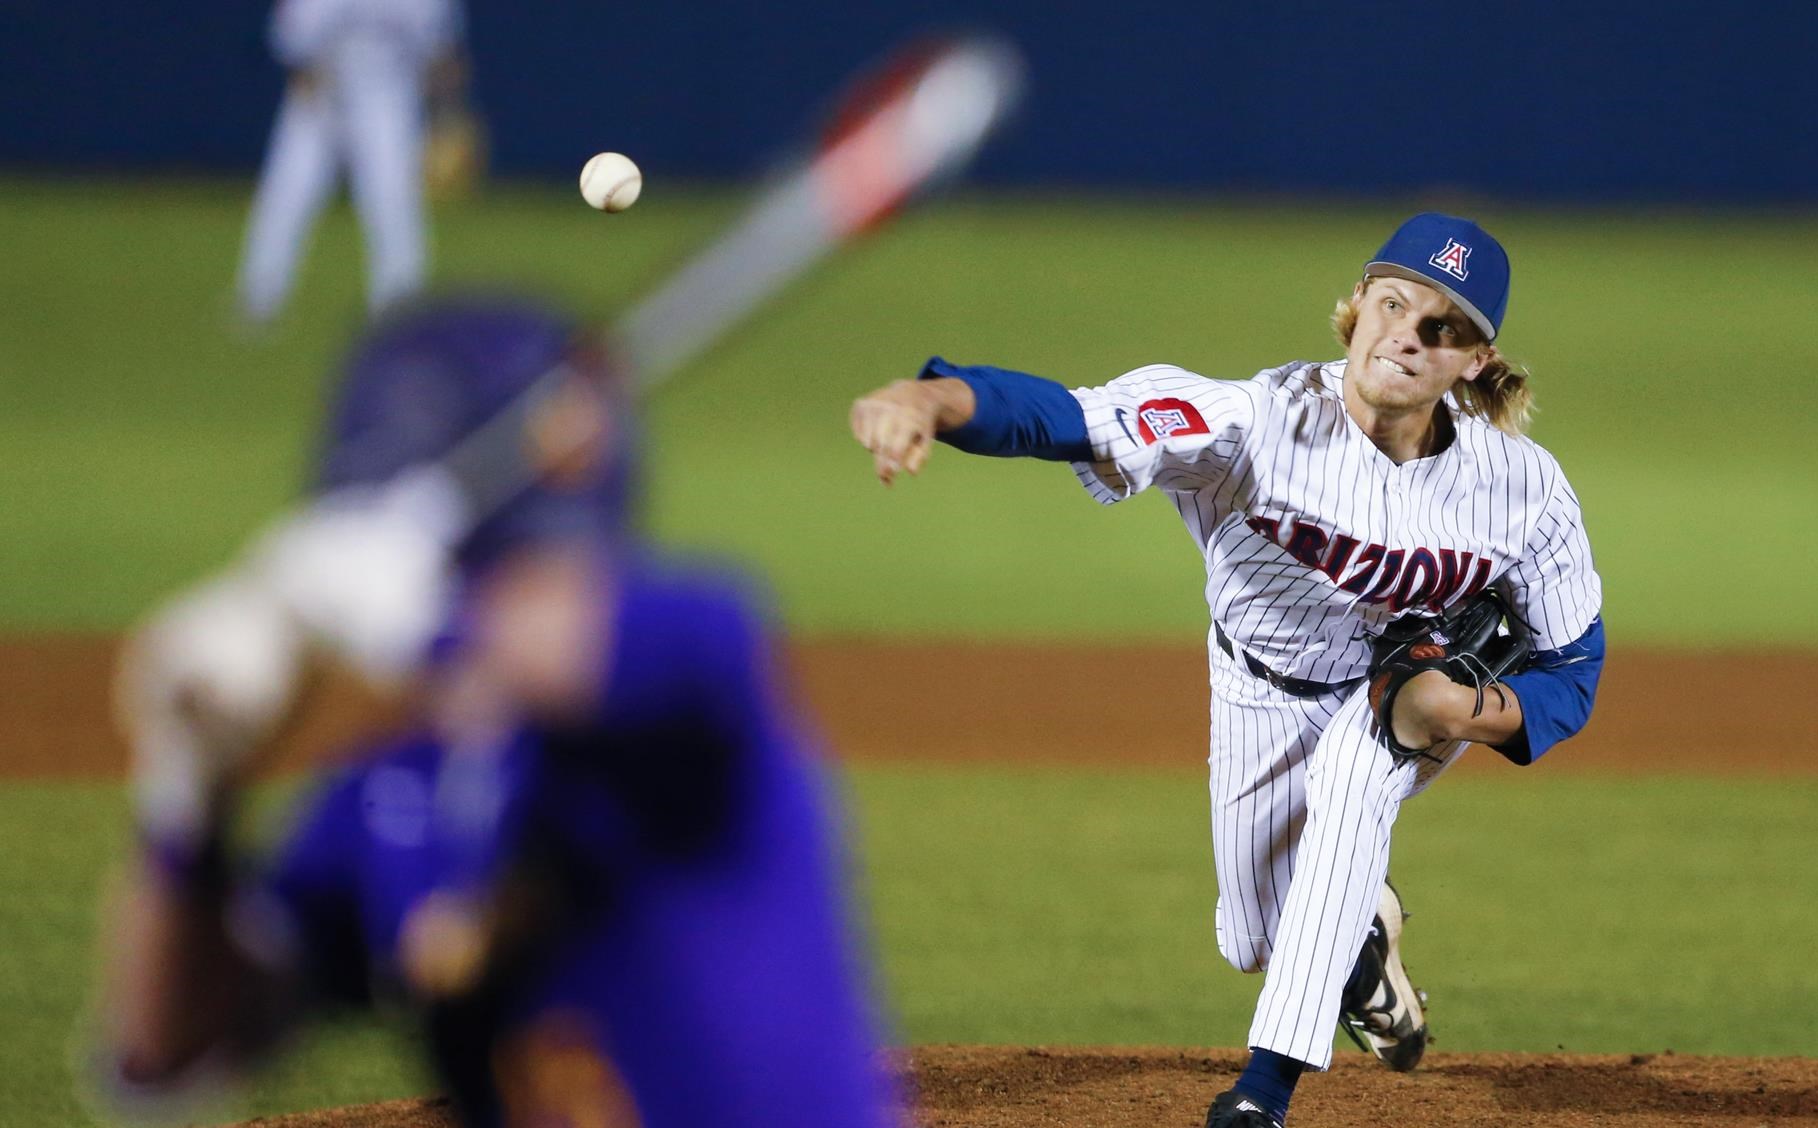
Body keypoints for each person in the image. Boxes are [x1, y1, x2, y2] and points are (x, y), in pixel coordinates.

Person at [849, 213, 1606, 1127]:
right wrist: (930, 402)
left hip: (1400, 687)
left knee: (1360, 772)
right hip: (1256, 686)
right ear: (1356, 304)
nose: (1406, 335)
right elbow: (1067, 417)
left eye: (1442, 327)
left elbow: (1573, 667)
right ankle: (1360, 944)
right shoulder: (1253, 424)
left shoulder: (1523, 488)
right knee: (1251, 936)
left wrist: (1468, 709)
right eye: (1395, 303)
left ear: (1477, 362)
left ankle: (1263, 1092)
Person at [97, 297, 903, 1127]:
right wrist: (187, 796)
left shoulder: (693, 674)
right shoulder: (386, 800)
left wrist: (414, 617)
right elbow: (170, 1051)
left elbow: (565, 649)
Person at [234, 0, 467, 326]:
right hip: (321, 96)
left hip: (387, 96)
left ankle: (399, 307)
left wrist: (445, 111)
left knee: (392, 198)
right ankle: (260, 296)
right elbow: (293, 46)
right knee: (289, 193)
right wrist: (313, 95)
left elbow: (441, 53)